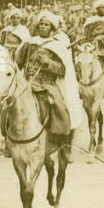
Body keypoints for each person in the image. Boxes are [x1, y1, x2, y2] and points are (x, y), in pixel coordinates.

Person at [16, 10, 82, 160]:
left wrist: (48, 63)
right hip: (29, 82)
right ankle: (10, 139)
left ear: (52, 27)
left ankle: (63, 144)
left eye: (46, 25)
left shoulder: (57, 46)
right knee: (11, 103)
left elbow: (62, 69)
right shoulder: (29, 43)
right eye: (41, 24)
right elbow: (18, 62)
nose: (43, 27)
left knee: (60, 107)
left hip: (47, 83)